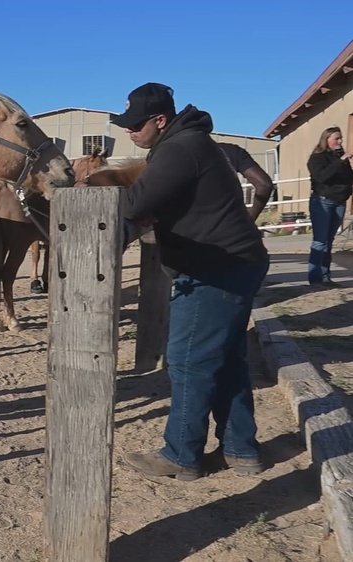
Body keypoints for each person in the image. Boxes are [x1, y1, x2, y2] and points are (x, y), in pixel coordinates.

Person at [111, 82, 270, 481]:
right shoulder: (191, 143)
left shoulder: (179, 149)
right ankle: (241, 449)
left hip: (213, 269)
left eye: (136, 124)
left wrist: (140, 209)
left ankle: (181, 455)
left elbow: (133, 203)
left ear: (160, 120)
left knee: (187, 361)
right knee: (227, 360)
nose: (130, 131)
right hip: (233, 264)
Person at [306, 126, 353, 286]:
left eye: (341, 138)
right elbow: (322, 177)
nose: (340, 141)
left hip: (340, 201)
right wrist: (341, 160)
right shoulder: (316, 158)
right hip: (323, 201)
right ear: (326, 140)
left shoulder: (340, 157)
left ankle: (325, 277)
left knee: (329, 240)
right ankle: (314, 278)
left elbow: (347, 177)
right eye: (336, 138)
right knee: (320, 241)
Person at [217, 142, 275, 221]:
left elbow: (264, 185)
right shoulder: (231, 151)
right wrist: (250, 219)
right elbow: (264, 185)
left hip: (202, 225)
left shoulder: (198, 154)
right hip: (233, 222)